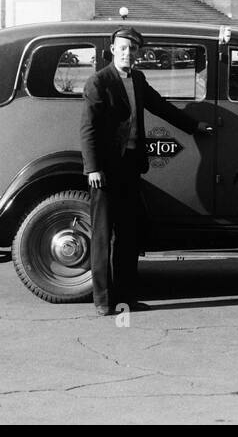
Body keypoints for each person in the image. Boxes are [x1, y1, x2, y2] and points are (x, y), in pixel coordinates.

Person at [80, 26, 213, 316]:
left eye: (133, 49)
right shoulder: (98, 83)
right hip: (105, 169)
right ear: (113, 50)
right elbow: (88, 130)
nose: (128, 53)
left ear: (138, 53)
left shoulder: (138, 79)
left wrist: (194, 127)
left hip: (130, 165)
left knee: (128, 235)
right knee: (103, 235)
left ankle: (126, 297)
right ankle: (103, 300)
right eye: (123, 48)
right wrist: (93, 168)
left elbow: (161, 107)